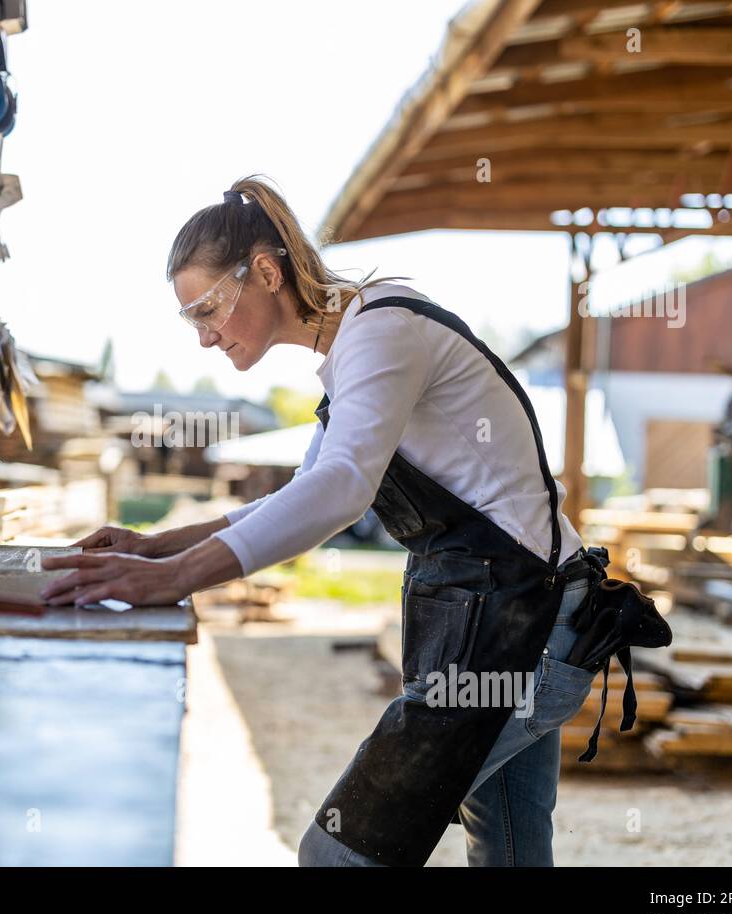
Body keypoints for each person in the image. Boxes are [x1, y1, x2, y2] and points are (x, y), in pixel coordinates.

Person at [39, 175, 602, 866]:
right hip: (510, 616)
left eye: (207, 310)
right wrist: (157, 546)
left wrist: (175, 578)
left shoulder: (383, 330)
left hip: (528, 624)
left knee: (338, 854)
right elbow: (302, 492)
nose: (205, 338)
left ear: (267, 272)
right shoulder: (354, 352)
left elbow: (341, 491)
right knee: (510, 851)